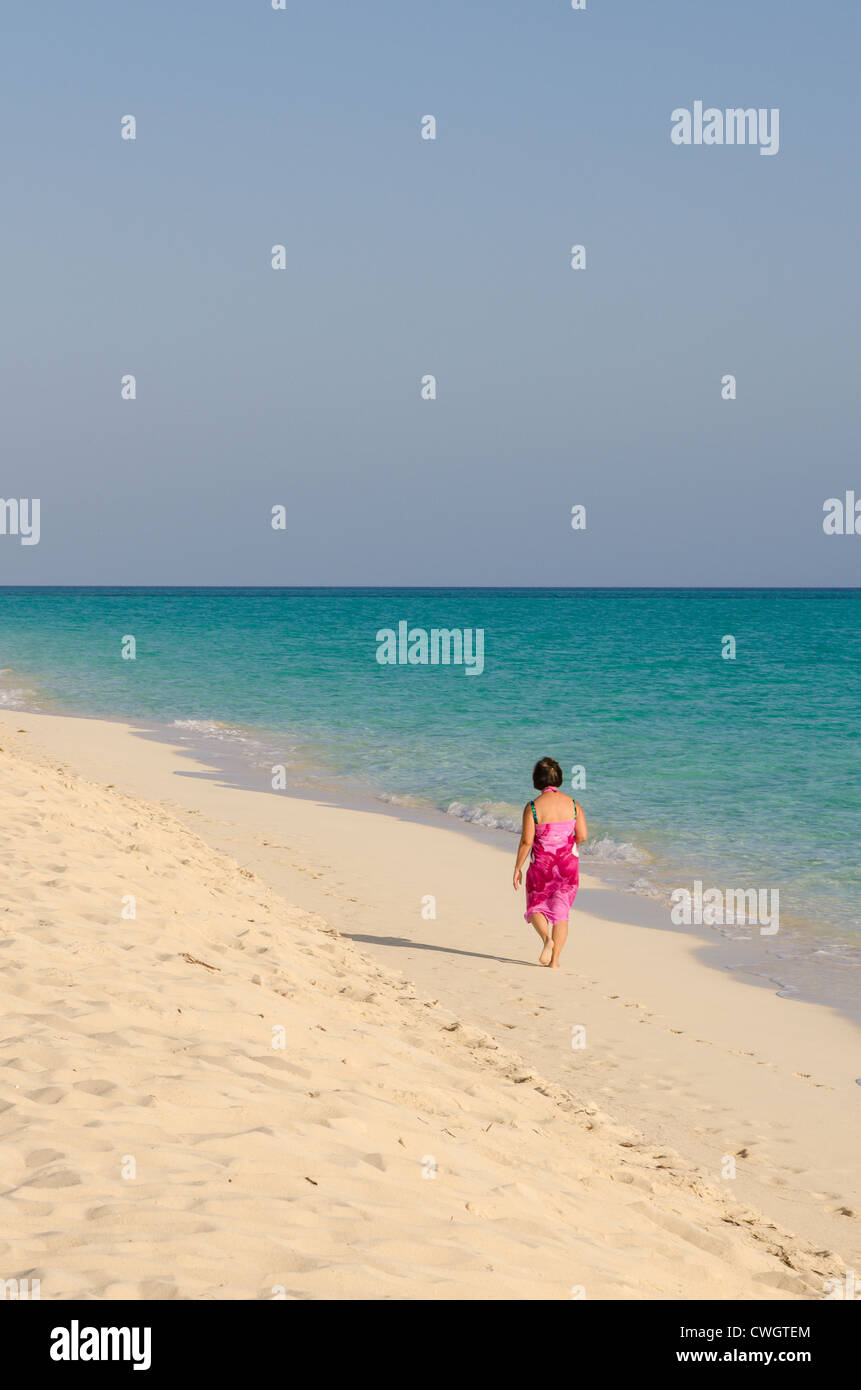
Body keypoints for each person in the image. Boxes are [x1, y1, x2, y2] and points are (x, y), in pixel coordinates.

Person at [513, 757, 587, 969]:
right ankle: (554, 962)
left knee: (536, 905)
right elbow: (582, 835)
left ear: (536, 779)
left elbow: (527, 841)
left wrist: (517, 867)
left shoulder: (533, 807)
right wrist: (566, 846)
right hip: (568, 864)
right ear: (559, 777)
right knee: (561, 911)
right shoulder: (573, 804)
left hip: (542, 865)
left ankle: (547, 939)